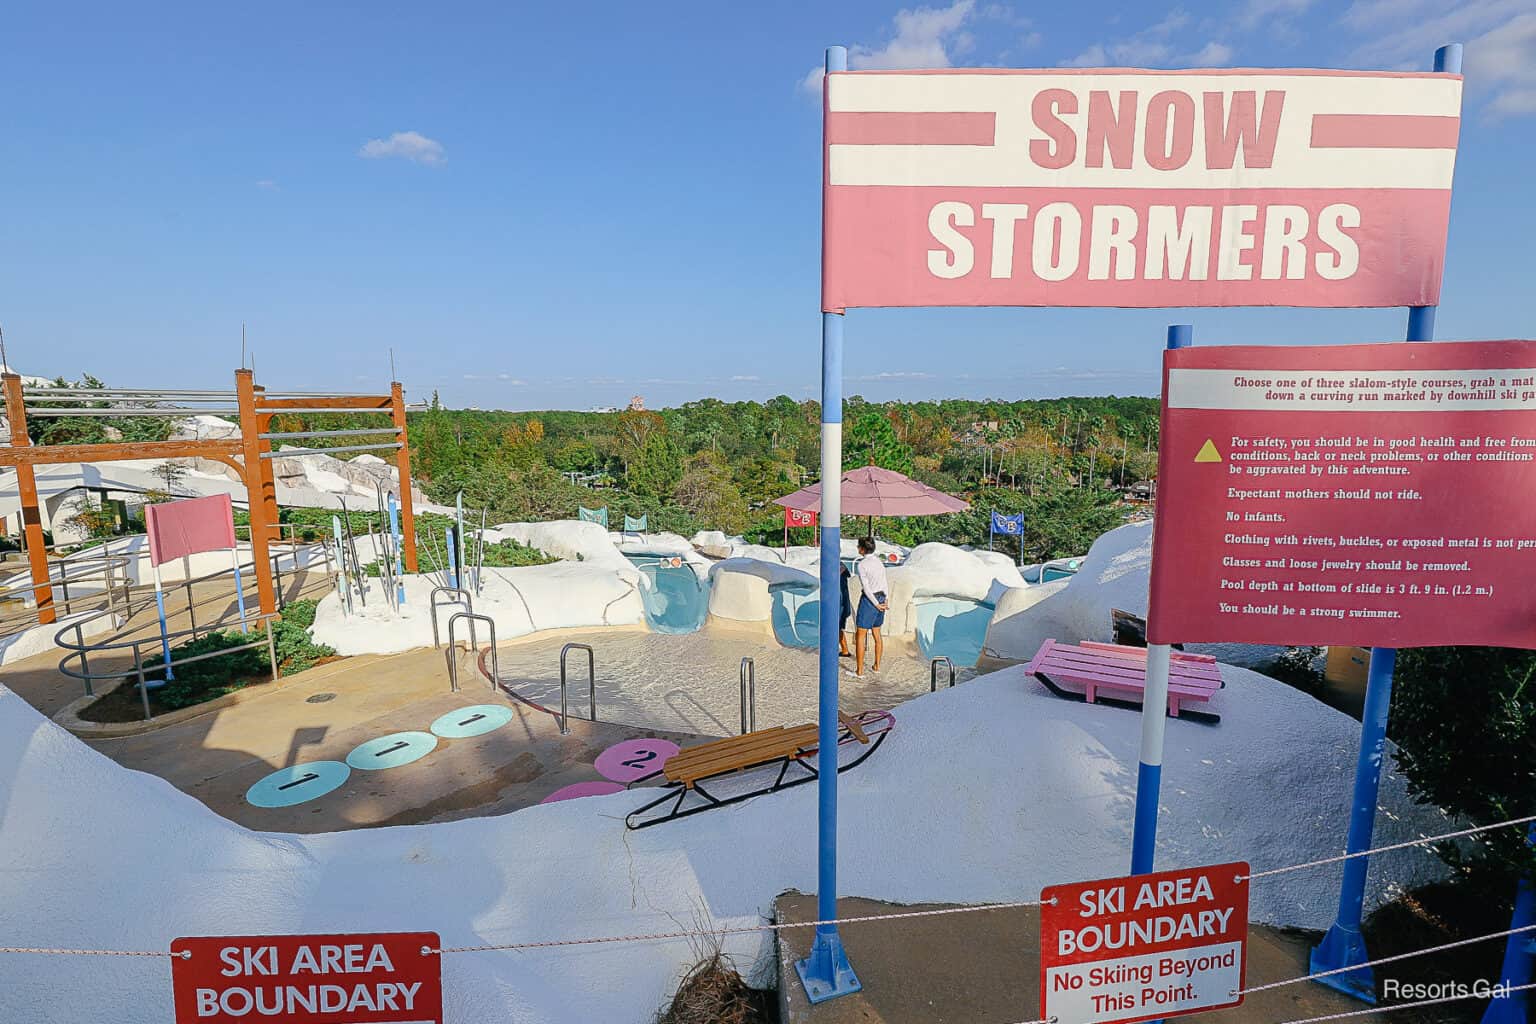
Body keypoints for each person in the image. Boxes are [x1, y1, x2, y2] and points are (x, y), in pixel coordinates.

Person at [851, 536, 888, 677]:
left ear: (862, 549)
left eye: (858, 546)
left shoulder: (862, 565)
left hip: (870, 601)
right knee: (877, 633)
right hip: (882, 596)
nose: (857, 548)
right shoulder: (879, 562)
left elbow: (866, 588)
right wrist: (886, 600)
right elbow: (884, 582)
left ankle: (859, 671)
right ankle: (877, 666)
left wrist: (876, 604)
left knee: (860, 635)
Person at [839, 561, 853, 657]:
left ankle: (845, 650)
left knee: (837, 628)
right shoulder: (842, 569)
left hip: (840, 605)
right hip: (843, 604)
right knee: (838, 628)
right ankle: (845, 650)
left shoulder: (839, 571)